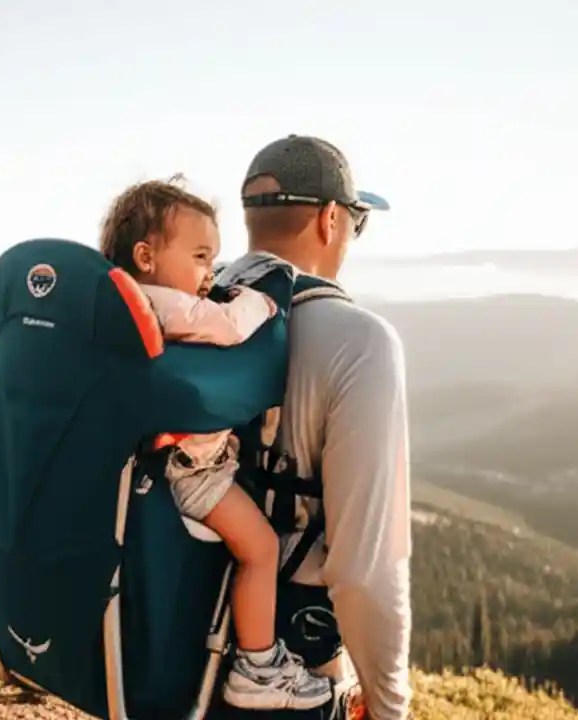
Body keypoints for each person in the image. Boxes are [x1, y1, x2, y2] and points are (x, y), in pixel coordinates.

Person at [98, 175, 336, 711]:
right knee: (261, 549)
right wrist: (264, 300)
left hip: (151, 470)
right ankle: (257, 666)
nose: (211, 274)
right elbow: (229, 326)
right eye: (203, 257)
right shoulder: (170, 306)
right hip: (194, 474)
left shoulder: (115, 306)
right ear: (146, 256)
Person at [211, 134, 414, 720]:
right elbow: (365, 569)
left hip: (169, 631)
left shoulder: (197, 307)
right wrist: (388, 705)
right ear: (331, 219)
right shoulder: (361, 342)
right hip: (287, 668)